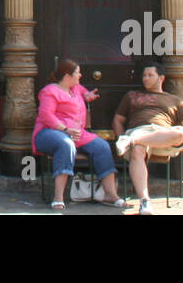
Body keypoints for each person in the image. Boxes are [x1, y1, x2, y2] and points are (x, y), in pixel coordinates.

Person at [33, 57, 122, 211]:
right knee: (66, 144)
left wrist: (87, 95)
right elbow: (46, 116)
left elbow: (83, 92)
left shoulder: (75, 88)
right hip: (50, 133)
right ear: (67, 76)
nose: (80, 76)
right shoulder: (50, 91)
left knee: (102, 146)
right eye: (77, 73)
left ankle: (110, 194)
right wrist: (64, 130)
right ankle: (58, 197)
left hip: (77, 134)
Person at [112, 63, 183, 215]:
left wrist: (180, 147)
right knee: (138, 149)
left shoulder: (175, 100)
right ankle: (145, 201)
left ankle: (132, 141)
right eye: (144, 75)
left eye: (150, 75)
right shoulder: (132, 96)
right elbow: (117, 120)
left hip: (162, 136)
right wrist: (122, 136)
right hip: (138, 131)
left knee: (181, 132)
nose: (146, 79)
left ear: (161, 78)